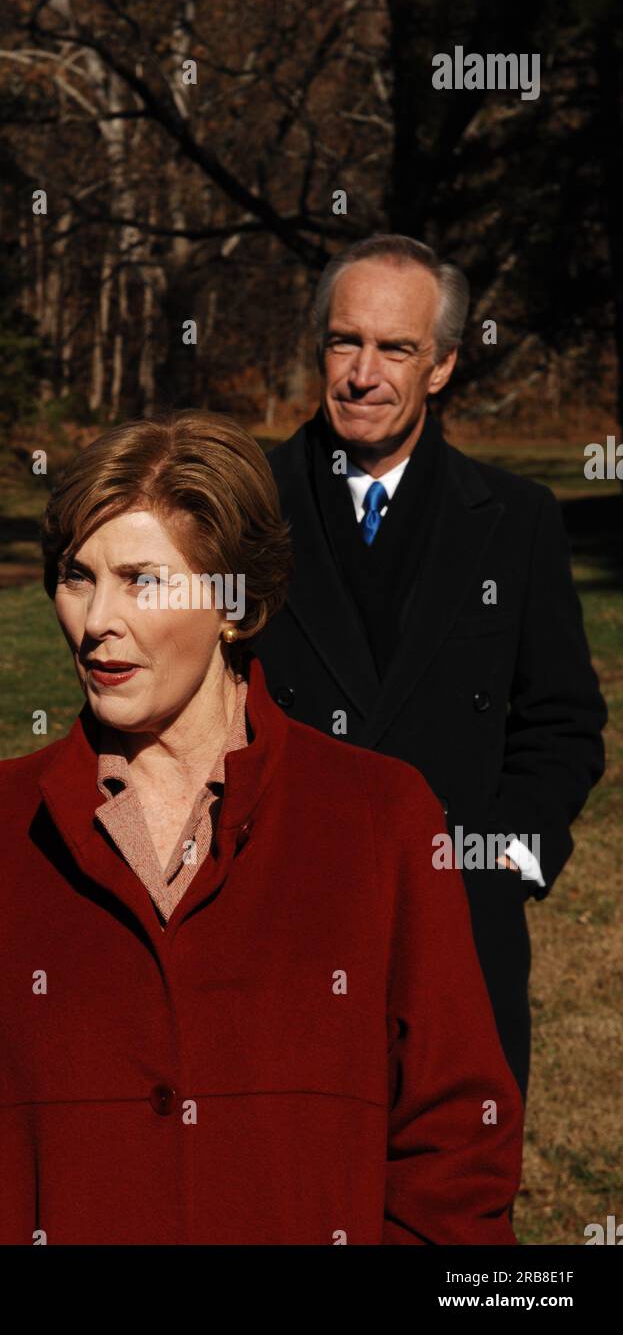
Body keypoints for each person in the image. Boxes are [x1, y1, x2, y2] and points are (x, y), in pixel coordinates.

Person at [0, 410, 523, 1245]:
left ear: (235, 604)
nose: (94, 622)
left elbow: (457, 1144)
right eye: (76, 576)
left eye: (140, 579)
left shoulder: (381, 816)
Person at [252, 234, 607, 1103]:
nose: (361, 373)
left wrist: (497, 871)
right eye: (344, 342)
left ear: (441, 366)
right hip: (270, 930)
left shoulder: (514, 520)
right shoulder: (244, 504)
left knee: (452, 1203)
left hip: (457, 942)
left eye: (394, 349)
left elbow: (561, 726)